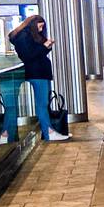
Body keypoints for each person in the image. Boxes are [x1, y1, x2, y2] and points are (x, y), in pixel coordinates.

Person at [9, 14, 70, 142]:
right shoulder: (23, 37)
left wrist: (46, 47)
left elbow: (35, 52)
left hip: (39, 72)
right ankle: (48, 133)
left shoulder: (26, 35)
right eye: (40, 26)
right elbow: (29, 55)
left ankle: (49, 131)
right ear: (33, 24)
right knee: (42, 104)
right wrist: (44, 46)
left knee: (44, 103)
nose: (41, 29)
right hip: (37, 72)